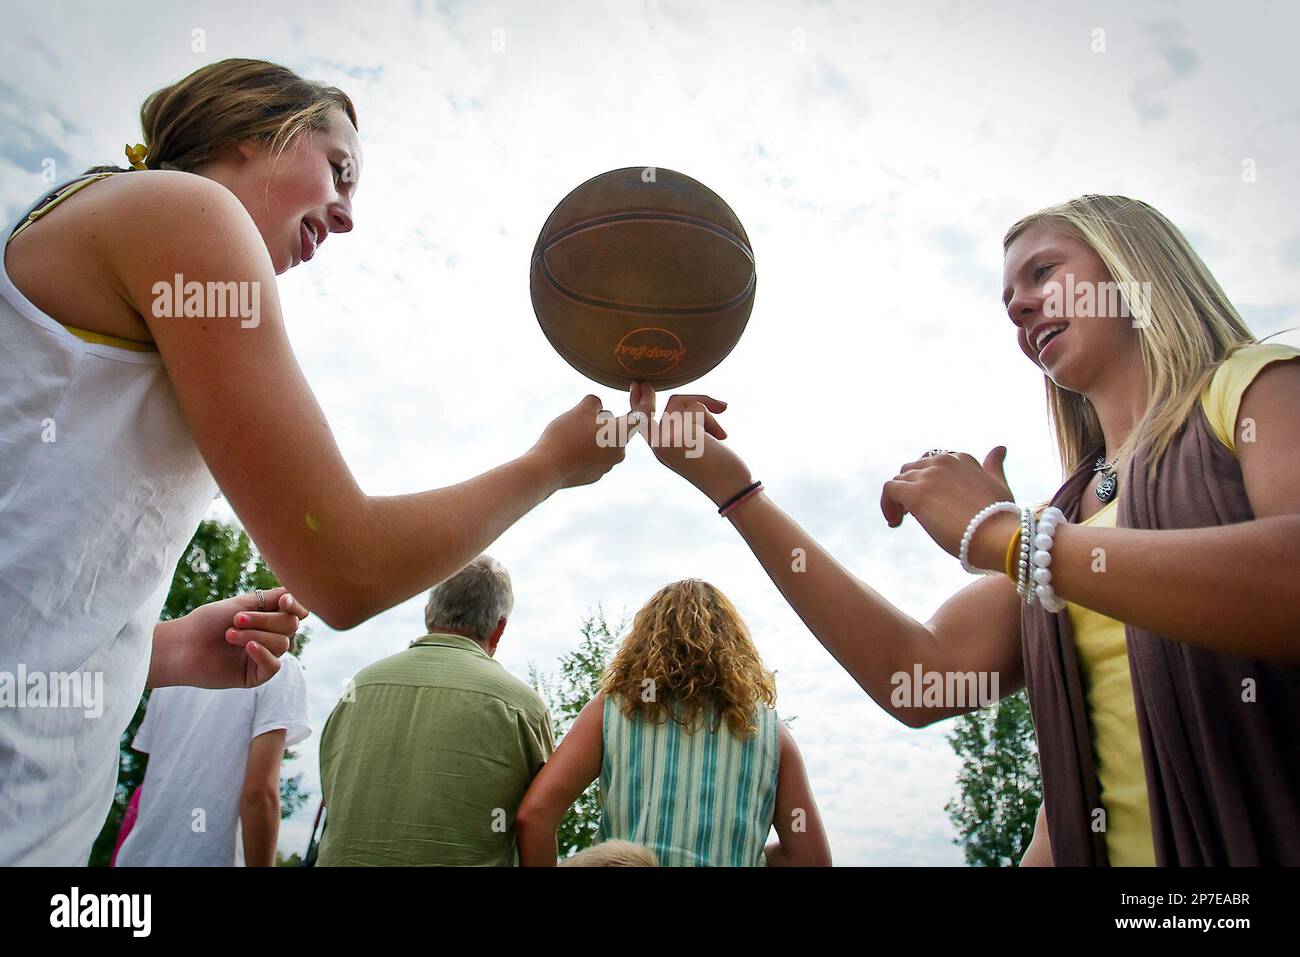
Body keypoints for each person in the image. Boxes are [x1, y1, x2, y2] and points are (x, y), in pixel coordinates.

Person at [0, 58, 631, 865]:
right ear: (250, 129)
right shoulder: (183, 209)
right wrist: (550, 463)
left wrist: (166, 650)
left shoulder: (110, 222)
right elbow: (345, 566)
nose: (346, 217)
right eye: (339, 171)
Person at [632, 195, 1300, 866]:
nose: (1018, 305)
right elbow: (915, 678)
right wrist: (735, 490)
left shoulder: (1254, 391)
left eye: (1043, 272)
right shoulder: (1062, 521)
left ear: (1136, 269)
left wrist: (1010, 539)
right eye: (1010, 297)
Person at [516, 579, 832, 867]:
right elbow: (811, 860)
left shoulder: (612, 710)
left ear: (645, 639)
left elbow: (535, 815)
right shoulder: (771, 732)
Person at [317, 555, 553, 866]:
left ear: (428, 612)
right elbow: (538, 817)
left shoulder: (359, 687)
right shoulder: (523, 706)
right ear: (499, 629)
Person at [114, 651, 311, 866]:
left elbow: (158, 773)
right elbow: (259, 794)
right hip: (207, 857)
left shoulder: (175, 663)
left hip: (138, 856)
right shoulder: (276, 665)